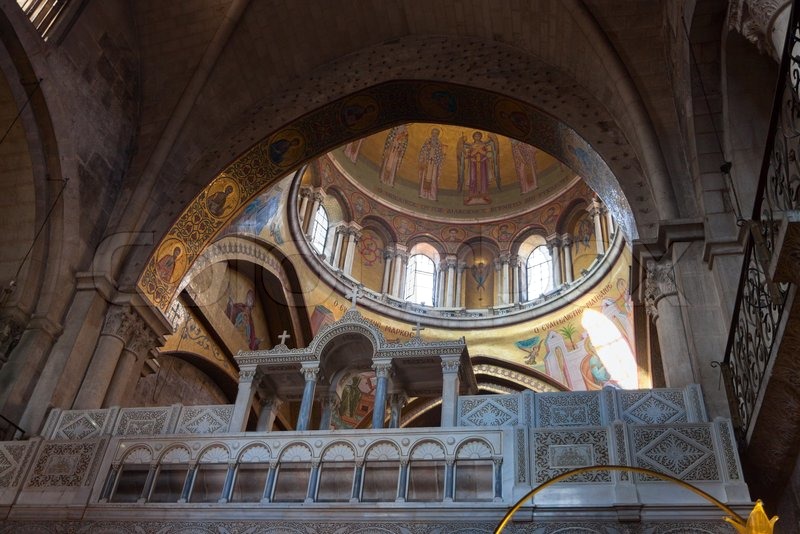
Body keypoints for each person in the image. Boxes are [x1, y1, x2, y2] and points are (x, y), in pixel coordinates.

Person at [457, 131, 500, 205]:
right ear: (473, 137)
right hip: (473, 164)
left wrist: (479, 151)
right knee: (472, 178)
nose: (477, 137)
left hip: (483, 163)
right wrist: (467, 154)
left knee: (483, 178)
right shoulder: (471, 146)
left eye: (478, 136)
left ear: (480, 137)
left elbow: (487, 154)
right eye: (475, 136)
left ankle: (484, 196)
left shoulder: (483, 145)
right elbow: (468, 155)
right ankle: (472, 196)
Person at [418, 128, 445, 200]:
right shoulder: (427, 141)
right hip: (426, 163)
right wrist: (422, 160)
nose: (434, 134)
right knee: (424, 178)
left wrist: (442, 156)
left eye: (436, 133)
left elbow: (440, 154)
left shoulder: (439, 143)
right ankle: (422, 194)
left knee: (433, 179)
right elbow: (422, 150)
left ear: (438, 135)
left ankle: (432, 196)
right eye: (433, 133)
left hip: (434, 164)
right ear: (431, 133)